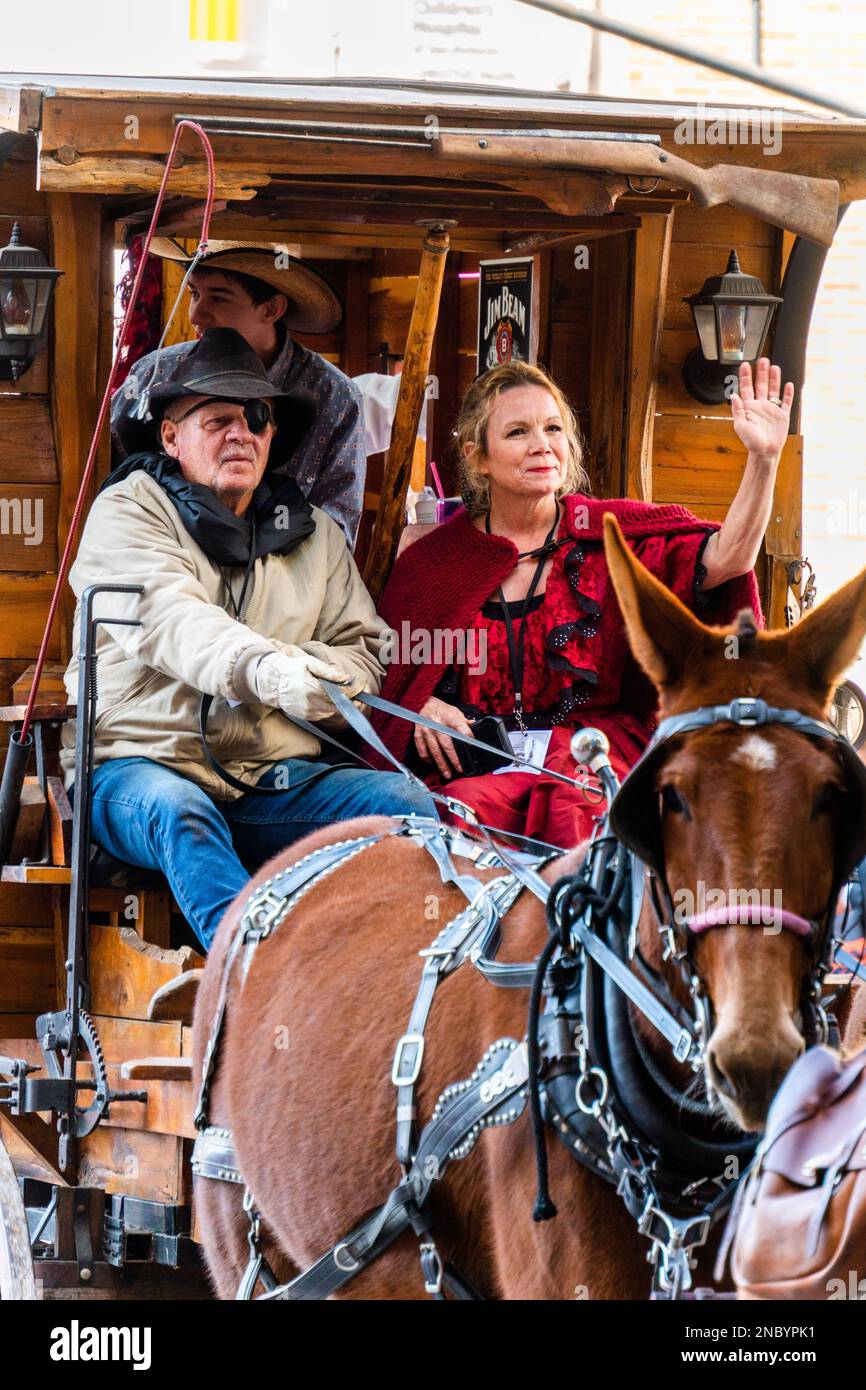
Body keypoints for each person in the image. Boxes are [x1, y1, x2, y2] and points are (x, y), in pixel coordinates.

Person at [63, 327, 434, 951]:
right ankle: (259, 981)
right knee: (181, 811)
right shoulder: (127, 511)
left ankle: (370, 976)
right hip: (136, 770)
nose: (242, 432)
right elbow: (169, 618)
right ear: (170, 435)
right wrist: (269, 672)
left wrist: (309, 679)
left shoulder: (311, 533)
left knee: (404, 803)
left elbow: (362, 652)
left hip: (267, 777)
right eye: (217, 418)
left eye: (257, 417)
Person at [370, 357, 792, 849]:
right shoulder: (435, 561)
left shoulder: (611, 538)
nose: (542, 446)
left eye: (553, 428)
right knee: (454, 821)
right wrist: (424, 703)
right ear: (477, 456)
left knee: (579, 809)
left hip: (594, 753)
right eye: (518, 432)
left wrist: (763, 460)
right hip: (481, 767)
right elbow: (391, 676)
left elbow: (730, 558)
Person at [111, 239, 366, 546]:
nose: (196, 314)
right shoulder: (155, 373)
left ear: (271, 308)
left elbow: (335, 533)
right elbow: (114, 481)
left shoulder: (335, 396)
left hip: (286, 580)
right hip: (163, 563)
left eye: (218, 298)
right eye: (194, 294)